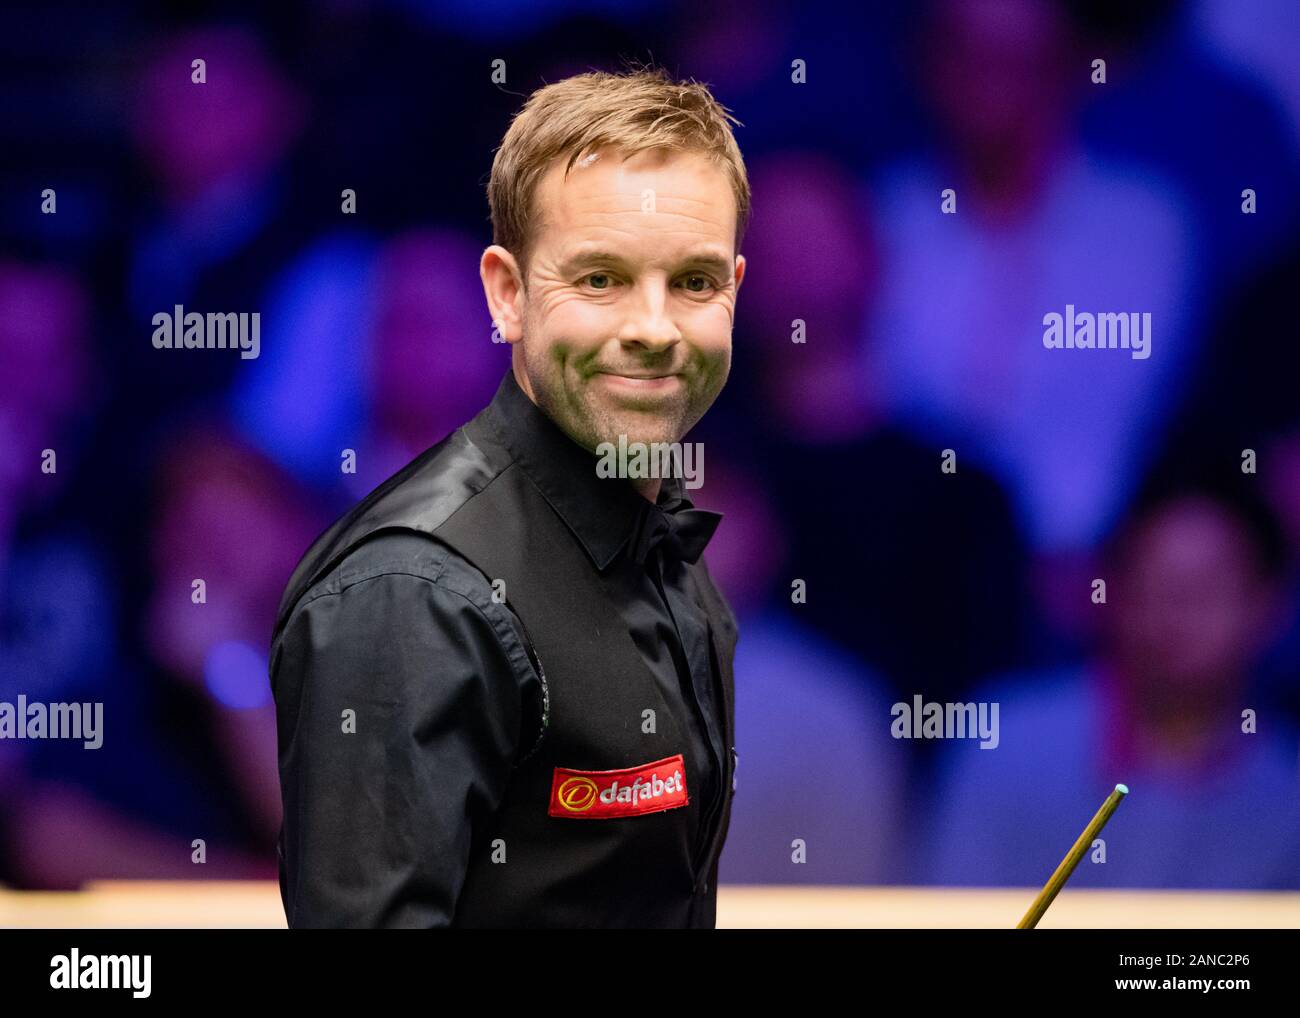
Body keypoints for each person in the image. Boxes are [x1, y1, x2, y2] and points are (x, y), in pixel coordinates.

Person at [270, 66, 750, 927]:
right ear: (507, 293)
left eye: (694, 282)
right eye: (599, 279)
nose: (653, 328)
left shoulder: (663, 544)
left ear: (735, 293)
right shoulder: (412, 597)